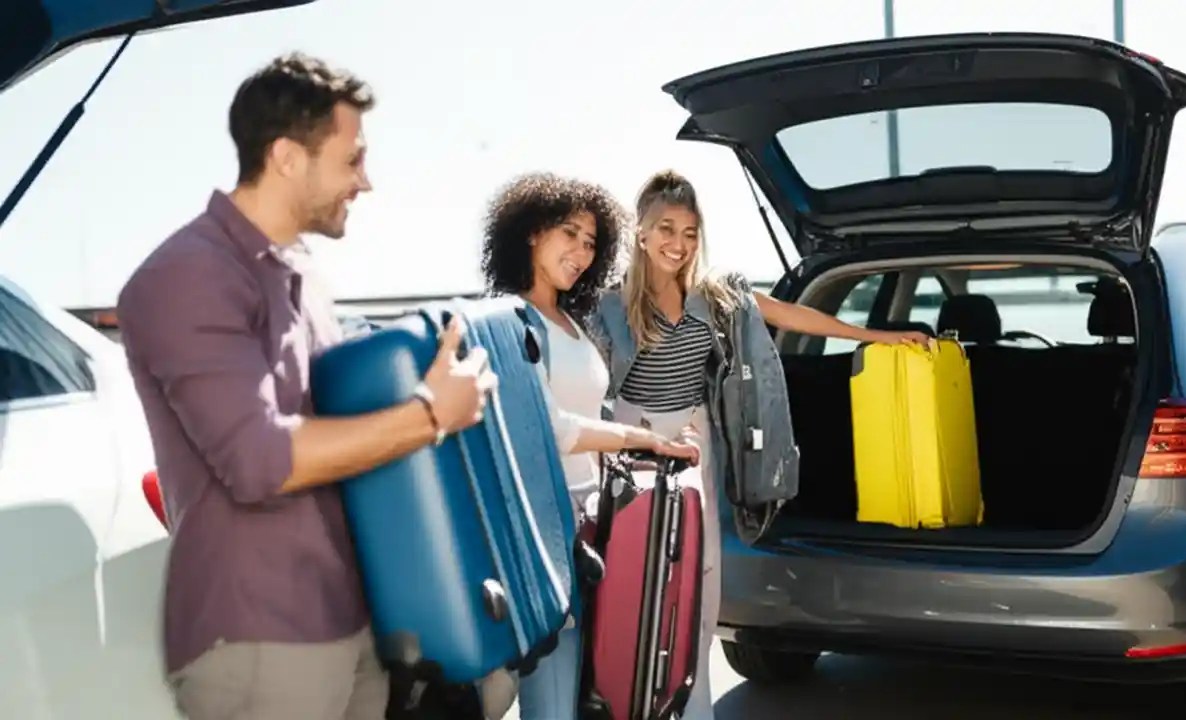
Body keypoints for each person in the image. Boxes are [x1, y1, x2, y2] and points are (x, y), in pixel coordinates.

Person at [116, 53, 496, 720]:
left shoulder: (301, 274)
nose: (366, 182)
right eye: (352, 160)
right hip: (263, 636)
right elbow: (259, 459)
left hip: (346, 622)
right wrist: (431, 413)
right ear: (289, 157)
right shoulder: (187, 276)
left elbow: (340, 420)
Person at [587, 169, 929, 719]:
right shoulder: (607, 305)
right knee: (631, 586)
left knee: (699, 583)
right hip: (630, 446)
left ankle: (694, 709)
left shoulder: (717, 295)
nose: (679, 244)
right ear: (642, 233)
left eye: (691, 232)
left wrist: (876, 336)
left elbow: (792, 316)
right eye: (666, 229)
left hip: (696, 442)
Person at [480, 172, 701, 719]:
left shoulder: (573, 323)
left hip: (592, 529)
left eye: (591, 242)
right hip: (543, 534)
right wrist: (641, 437)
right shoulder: (511, 321)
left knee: (589, 691)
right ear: (531, 232)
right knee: (552, 700)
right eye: (569, 234)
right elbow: (547, 426)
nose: (581, 252)